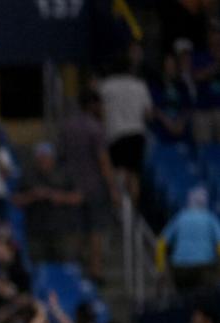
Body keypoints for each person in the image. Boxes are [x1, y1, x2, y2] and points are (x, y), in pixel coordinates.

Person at [58, 89, 116, 282]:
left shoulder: (66, 127)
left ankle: (74, 269)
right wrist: (113, 188)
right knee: (95, 230)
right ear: (92, 105)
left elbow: (62, 157)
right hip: (94, 187)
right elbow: (103, 161)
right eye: (99, 105)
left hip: (72, 186)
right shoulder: (95, 128)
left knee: (76, 229)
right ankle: (95, 270)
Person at [98, 47, 153, 204]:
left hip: (116, 134)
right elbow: (148, 114)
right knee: (134, 173)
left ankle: (121, 207)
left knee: (119, 171)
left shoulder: (105, 86)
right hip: (137, 134)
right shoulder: (139, 85)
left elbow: (100, 112)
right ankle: (132, 209)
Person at [12, 142, 83, 264]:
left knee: (65, 265)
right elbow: (16, 200)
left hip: (62, 230)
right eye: (41, 157)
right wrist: (33, 195)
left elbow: (78, 198)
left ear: (53, 158)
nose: (43, 160)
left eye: (46, 157)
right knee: (39, 267)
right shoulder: (28, 176)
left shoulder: (64, 175)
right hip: (36, 232)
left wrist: (57, 196)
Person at [158, 186, 220, 295]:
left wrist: (160, 268)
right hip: (204, 267)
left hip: (180, 269)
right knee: (205, 301)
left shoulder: (180, 217)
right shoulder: (210, 218)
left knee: (184, 301)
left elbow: (161, 242)